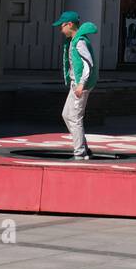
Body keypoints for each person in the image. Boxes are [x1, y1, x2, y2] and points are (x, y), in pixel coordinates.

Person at [54, 10, 98, 161]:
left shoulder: (79, 41)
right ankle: (83, 148)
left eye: (62, 25)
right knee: (67, 114)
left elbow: (88, 63)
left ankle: (79, 152)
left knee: (74, 117)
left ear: (70, 24)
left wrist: (81, 84)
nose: (60, 29)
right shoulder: (74, 40)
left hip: (81, 84)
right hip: (76, 83)